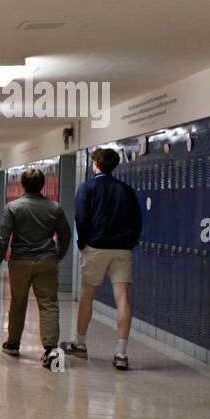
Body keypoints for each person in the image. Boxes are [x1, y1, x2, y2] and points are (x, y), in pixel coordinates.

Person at [61, 147, 142, 370]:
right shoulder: (126, 190)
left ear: (95, 164)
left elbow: (80, 217)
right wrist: (129, 242)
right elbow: (137, 221)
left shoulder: (87, 188)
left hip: (95, 247)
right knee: (122, 297)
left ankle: (79, 343)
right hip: (122, 249)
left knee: (87, 295)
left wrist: (83, 243)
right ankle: (121, 352)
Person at [0, 167, 72, 367]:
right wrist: (57, 256)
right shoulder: (55, 208)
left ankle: (13, 344)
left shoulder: (13, 207)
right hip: (47, 260)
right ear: (43, 185)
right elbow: (66, 235)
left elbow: (3, 239)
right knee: (49, 304)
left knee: (18, 302)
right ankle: (52, 353)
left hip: (20, 261)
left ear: (22, 185)